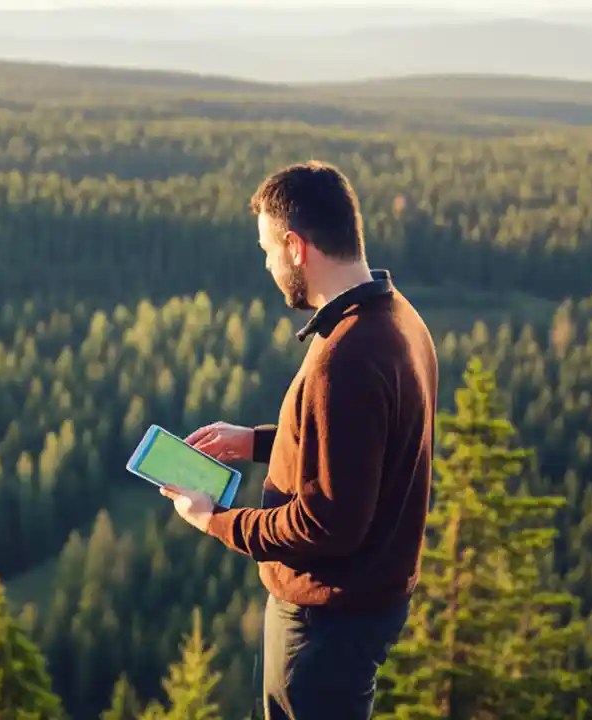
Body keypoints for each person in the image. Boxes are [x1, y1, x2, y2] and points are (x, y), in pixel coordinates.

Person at [159, 161, 437, 719]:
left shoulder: (346, 357)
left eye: (267, 250)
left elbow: (325, 524)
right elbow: (361, 449)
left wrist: (214, 519)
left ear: (296, 247)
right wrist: (257, 442)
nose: (267, 264)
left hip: (325, 622)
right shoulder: (397, 317)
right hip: (355, 610)